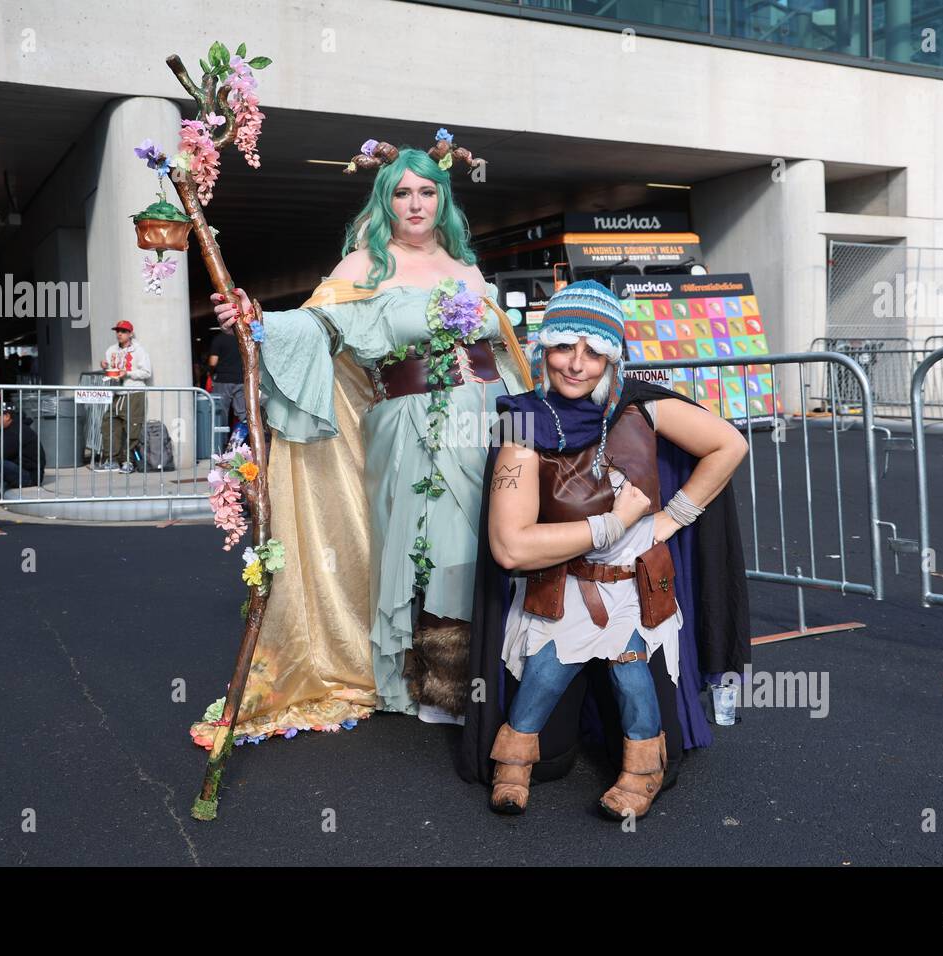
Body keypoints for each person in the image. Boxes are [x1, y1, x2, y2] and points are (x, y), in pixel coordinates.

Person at [192, 133, 532, 751]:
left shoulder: (466, 268)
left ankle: (497, 671)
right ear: (385, 201)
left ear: (443, 199)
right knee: (439, 549)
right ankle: (440, 686)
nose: (416, 203)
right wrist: (256, 319)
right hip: (413, 428)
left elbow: (504, 349)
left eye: (428, 191)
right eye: (402, 192)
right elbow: (315, 326)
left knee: (496, 538)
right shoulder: (363, 268)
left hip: (489, 421)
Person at [459, 281, 753, 820]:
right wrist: (612, 523)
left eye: (594, 352)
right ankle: (513, 762)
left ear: (613, 357)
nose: (576, 364)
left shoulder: (643, 408)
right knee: (546, 670)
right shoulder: (521, 418)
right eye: (564, 346)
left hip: (633, 592)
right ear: (542, 348)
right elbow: (511, 548)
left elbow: (729, 443)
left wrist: (673, 518)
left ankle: (643, 769)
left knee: (630, 673)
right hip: (560, 585)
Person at [96, 320, 152, 473]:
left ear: (130, 334)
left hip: (134, 393)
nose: (119, 334)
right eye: (118, 331)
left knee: (132, 428)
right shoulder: (111, 350)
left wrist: (127, 373)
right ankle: (112, 460)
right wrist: (105, 367)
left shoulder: (139, 350)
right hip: (116, 393)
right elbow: (111, 370)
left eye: (123, 331)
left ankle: (129, 461)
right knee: (109, 425)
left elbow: (147, 372)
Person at [0, 400, 44, 498]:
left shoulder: (18, 431)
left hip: (30, 476)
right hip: (18, 468)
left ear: (7, 416)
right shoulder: (2, 430)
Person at [206, 326, 246, 431]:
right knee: (244, 414)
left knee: (221, 414)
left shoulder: (219, 339)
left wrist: (209, 369)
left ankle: (221, 442)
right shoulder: (243, 339)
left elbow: (213, 362)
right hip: (241, 380)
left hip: (223, 381)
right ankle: (243, 443)